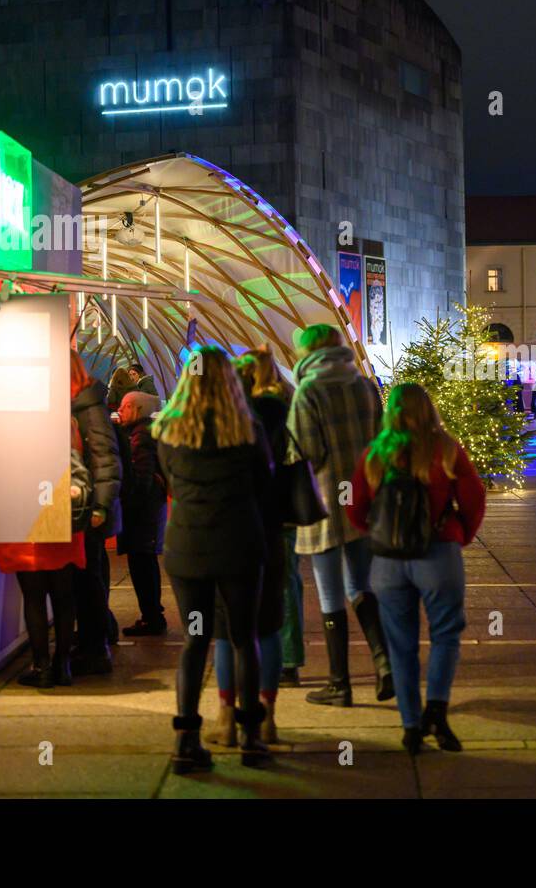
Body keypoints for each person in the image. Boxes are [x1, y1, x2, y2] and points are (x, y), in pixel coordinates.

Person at [347, 384, 487, 754]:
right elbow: (474, 497)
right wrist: (460, 534)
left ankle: (410, 726)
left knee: (400, 644)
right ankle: (437, 711)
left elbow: (354, 506)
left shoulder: (374, 454)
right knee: (445, 634)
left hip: (388, 564)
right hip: (438, 553)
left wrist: (379, 534)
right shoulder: (445, 449)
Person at [155, 344, 274, 772]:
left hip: (188, 551)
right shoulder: (246, 430)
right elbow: (265, 484)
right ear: (229, 382)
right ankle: (251, 738)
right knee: (244, 638)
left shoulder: (168, 433)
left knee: (194, 639)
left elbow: (170, 480)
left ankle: (185, 740)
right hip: (239, 547)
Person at [285, 324, 393, 707]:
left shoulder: (308, 392)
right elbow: (380, 439)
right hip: (360, 499)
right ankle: (385, 664)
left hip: (324, 502)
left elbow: (306, 452)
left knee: (330, 592)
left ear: (309, 351)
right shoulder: (363, 386)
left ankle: (339, 683)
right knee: (360, 585)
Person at [207, 347, 302, 747]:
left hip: (224, 539)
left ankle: (227, 717)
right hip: (271, 532)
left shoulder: (212, 427)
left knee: (227, 633)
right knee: (266, 627)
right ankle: (267, 719)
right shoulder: (278, 415)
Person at [0, 417, 87, 688]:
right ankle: (63, 665)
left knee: (34, 598)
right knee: (64, 598)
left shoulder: (13, 428)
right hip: (61, 516)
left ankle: (42, 666)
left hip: (28, 520)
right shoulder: (65, 421)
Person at [69, 352, 124, 676]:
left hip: (90, 507)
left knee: (87, 577)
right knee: (91, 575)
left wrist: (100, 507)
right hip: (89, 505)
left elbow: (106, 458)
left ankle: (95, 648)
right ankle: (100, 635)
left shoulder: (87, 407)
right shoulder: (86, 404)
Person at [116, 391, 168, 637]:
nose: (120, 409)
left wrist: (130, 501)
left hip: (142, 514)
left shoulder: (141, 436)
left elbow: (142, 477)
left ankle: (152, 617)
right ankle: (152, 615)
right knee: (144, 563)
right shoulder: (145, 433)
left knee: (142, 565)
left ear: (137, 409)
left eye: (125, 406)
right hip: (148, 512)